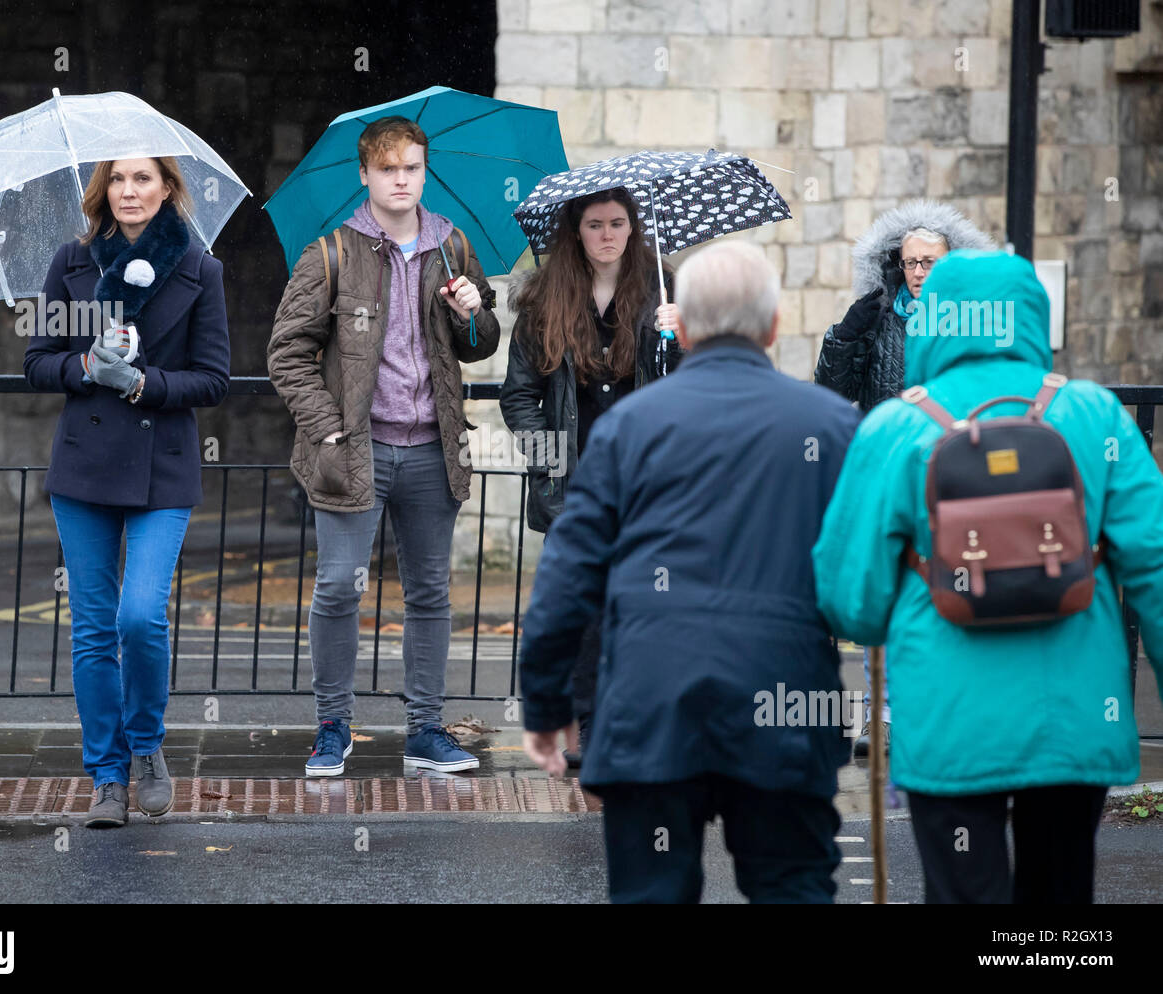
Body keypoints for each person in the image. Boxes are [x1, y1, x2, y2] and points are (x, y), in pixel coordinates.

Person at [812, 249, 1163, 904]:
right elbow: (1155, 564)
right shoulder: (1093, 414)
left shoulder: (896, 426)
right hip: (1077, 719)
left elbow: (849, 602)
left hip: (949, 727)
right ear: (1032, 315)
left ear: (933, 320)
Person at [519, 241, 862, 903]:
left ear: (683, 326)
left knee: (652, 890)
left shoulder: (627, 426)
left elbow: (568, 576)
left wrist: (546, 703)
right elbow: (864, 577)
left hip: (652, 701)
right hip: (785, 701)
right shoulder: (832, 423)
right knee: (792, 886)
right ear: (774, 325)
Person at [267, 116, 501, 777]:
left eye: (413, 169)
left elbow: (483, 343)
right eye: (389, 169)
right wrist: (329, 426)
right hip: (355, 451)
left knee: (429, 592)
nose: (402, 180)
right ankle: (332, 726)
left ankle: (426, 730)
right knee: (339, 588)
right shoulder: (332, 253)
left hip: (433, 448)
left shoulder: (451, 248)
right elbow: (288, 352)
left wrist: (471, 312)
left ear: (425, 173)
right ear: (364, 175)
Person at [23, 156, 231, 828]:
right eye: (118, 179)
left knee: (138, 616)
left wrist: (143, 384)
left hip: (162, 468)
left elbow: (214, 378)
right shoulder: (71, 262)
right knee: (90, 630)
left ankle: (147, 747)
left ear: (168, 188)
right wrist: (85, 365)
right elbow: (35, 362)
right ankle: (107, 776)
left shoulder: (201, 269)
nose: (129, 190)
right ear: (103, 191)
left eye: (143, 178)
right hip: (83, 469)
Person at [499, 186, 682, 759]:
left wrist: (679, 336)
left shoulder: (667, 291)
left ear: (634, 229)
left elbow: (688, 389)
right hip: (572, 481)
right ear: (575, 232)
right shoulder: (545, 302)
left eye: (618, 224)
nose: (607, 235)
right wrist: (553, 463)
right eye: (595, 224)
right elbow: (519, 396)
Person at [813, 200, 994, 757]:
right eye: (911, 262)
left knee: (950, 594)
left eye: (930, 262)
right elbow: (830, 389)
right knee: (888, 596)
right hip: (889, 476)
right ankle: (881, 715)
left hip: (953, 476)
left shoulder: (972, 319)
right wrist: (846, 334)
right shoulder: (875, 316)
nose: (919, 272)